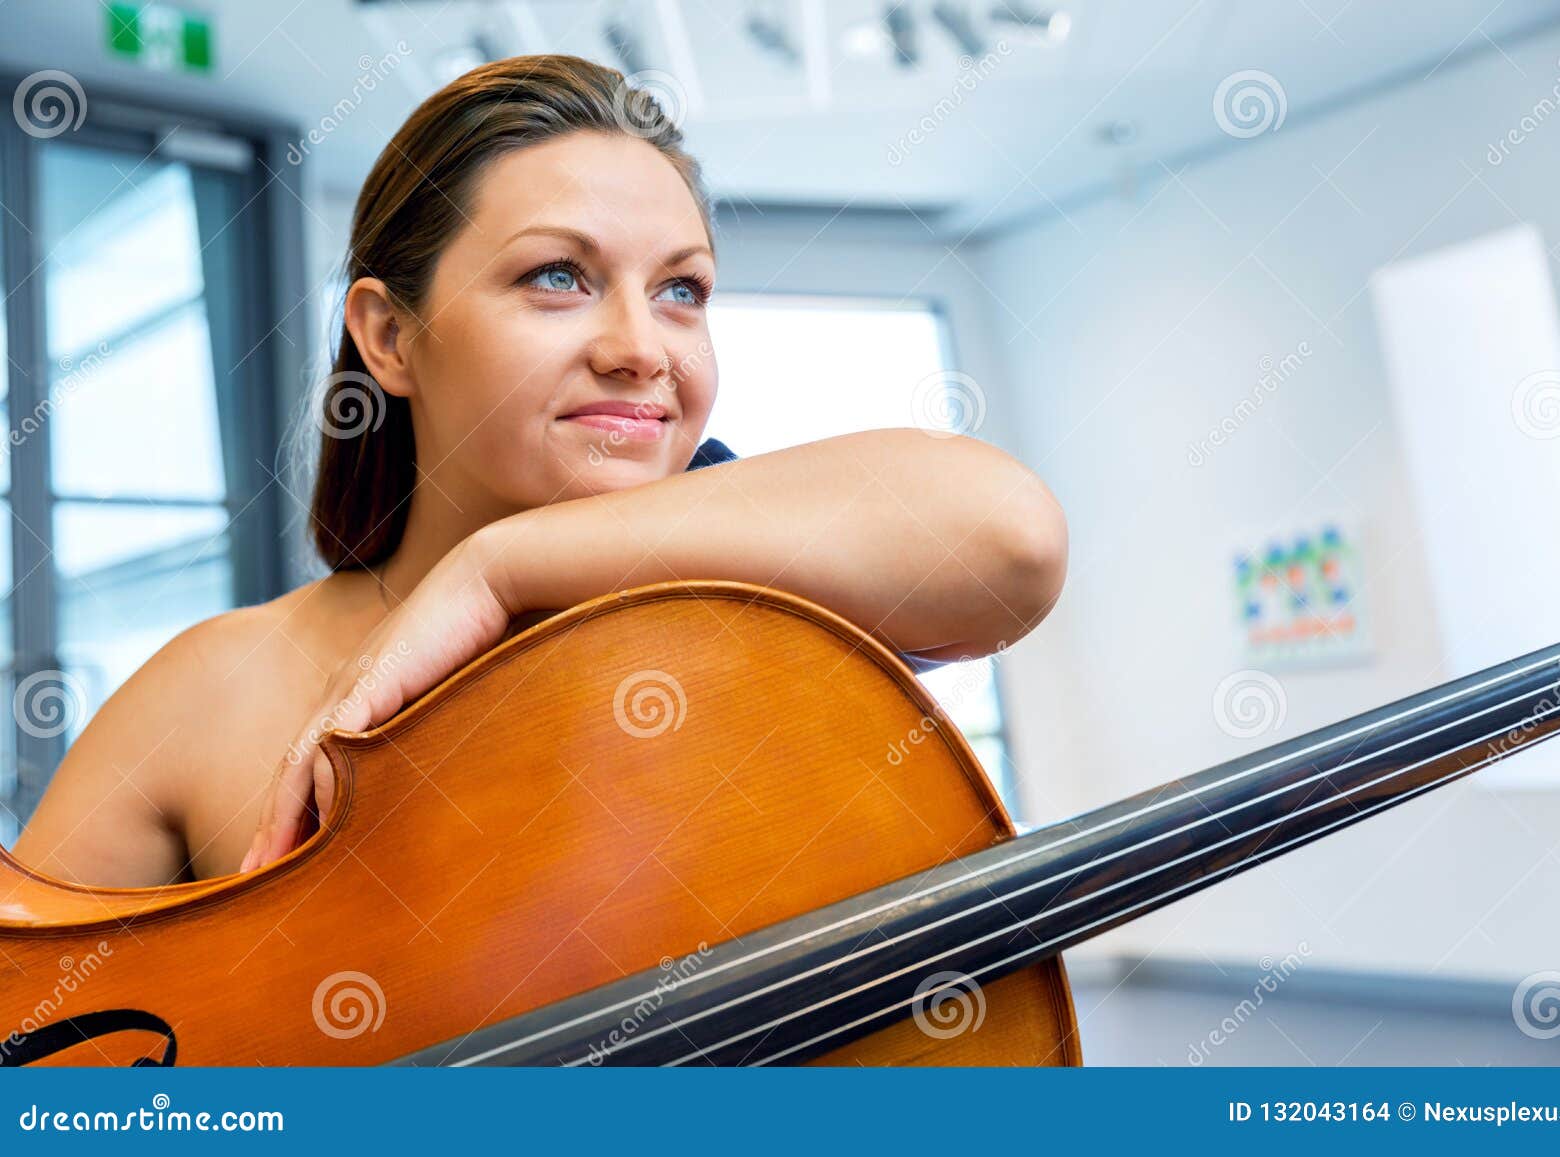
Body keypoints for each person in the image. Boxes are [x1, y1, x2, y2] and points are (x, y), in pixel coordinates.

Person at [11, 55, 1068, 888]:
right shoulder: (210, 690)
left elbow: (1010, 535)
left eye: (682, 290)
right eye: (558, 276)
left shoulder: (765, 609)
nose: (642, 348)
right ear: (388, 336)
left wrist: (499, 567)